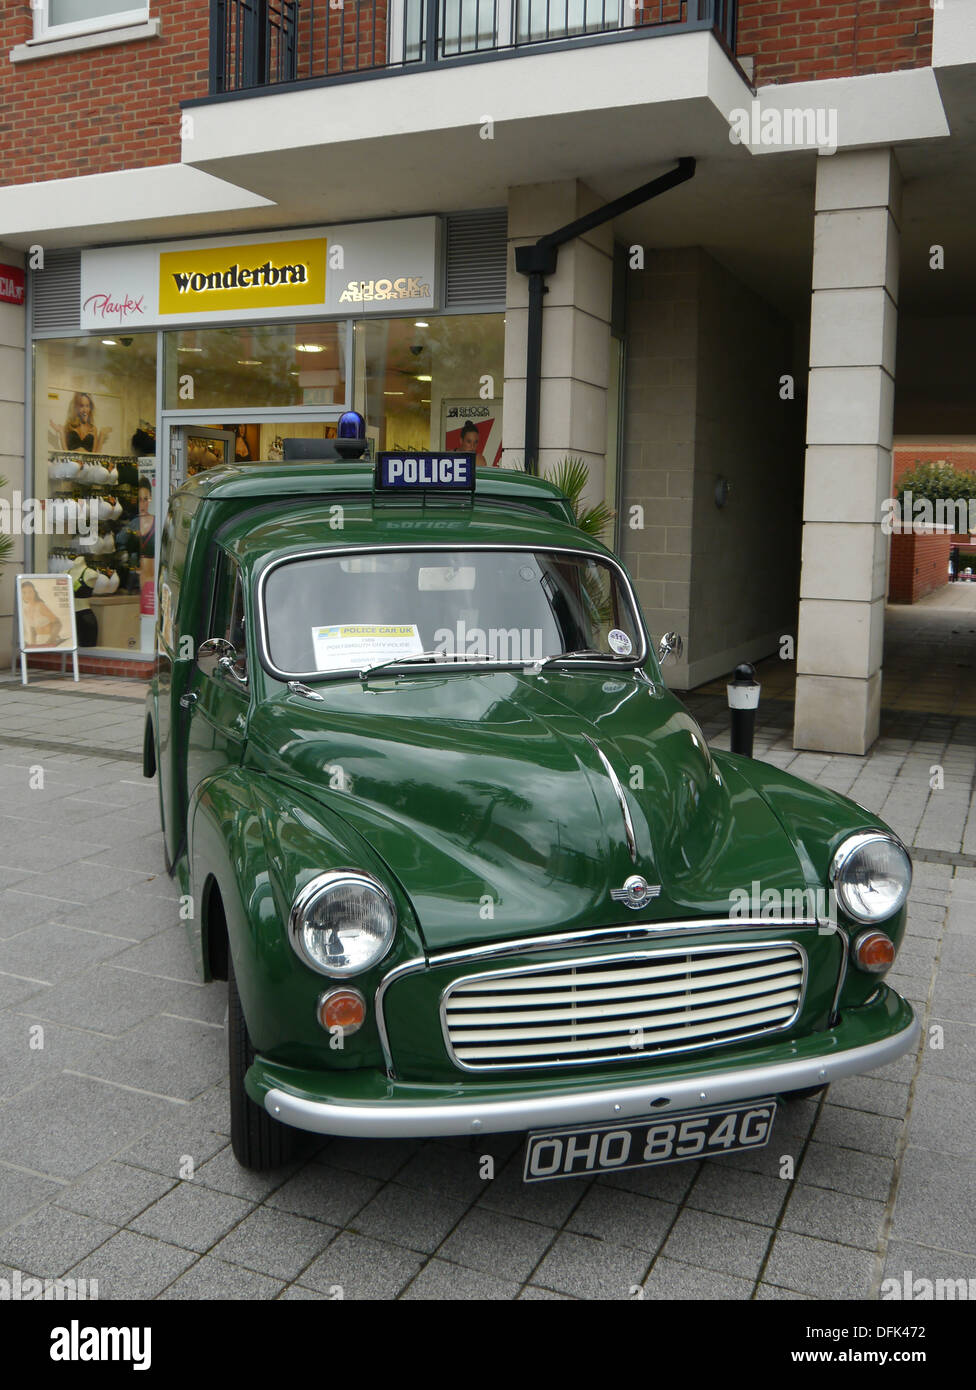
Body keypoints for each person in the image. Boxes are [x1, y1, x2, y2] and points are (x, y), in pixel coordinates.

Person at [20, 582, 65, 647]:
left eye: (30, 592)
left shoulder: (40, 606)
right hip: (39, 641)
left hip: (49, 639)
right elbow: (32, 628)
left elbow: (58, 623)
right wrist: (33, 643)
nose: (27, 595)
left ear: (34, 593)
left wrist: (51, 641)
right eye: (24, 592)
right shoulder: (25, 610)